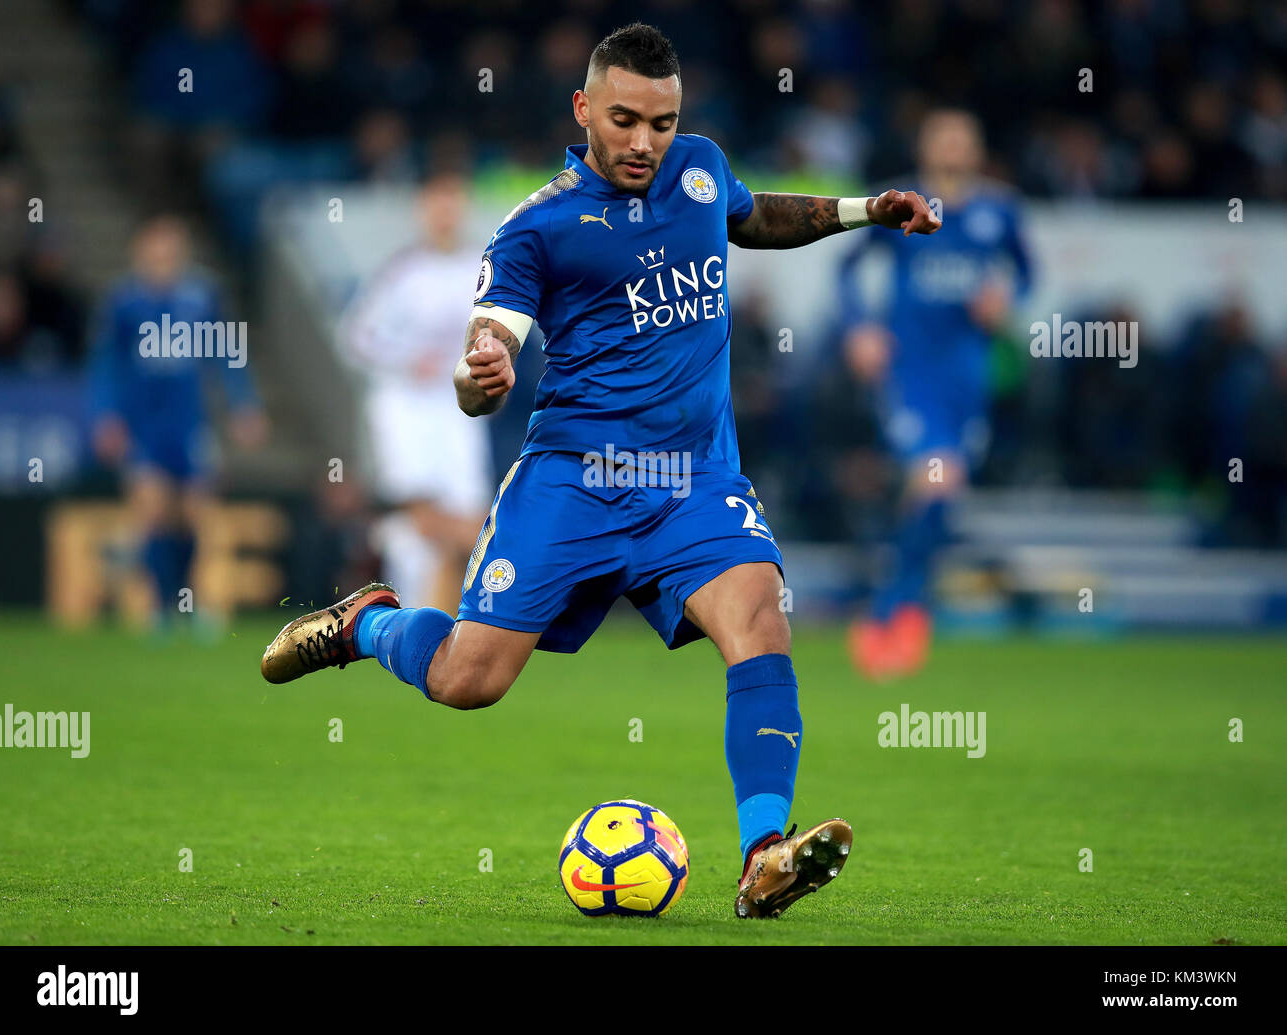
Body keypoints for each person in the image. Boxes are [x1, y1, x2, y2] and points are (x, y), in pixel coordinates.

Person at [262, 23, 940, 918]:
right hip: (573, 481)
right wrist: (479, 375)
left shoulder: (698, 168)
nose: (644, 143)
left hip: (693, 482)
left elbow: (754, 216)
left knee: (762, 622)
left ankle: (763, 854)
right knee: (471, 680)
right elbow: (485, 352)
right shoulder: (536, 228)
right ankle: (369, 625)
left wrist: (863, 212)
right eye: (624, 120)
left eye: (661, 123)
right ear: (584, 109)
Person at [838, 109, 1033, 680]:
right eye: (941, 139)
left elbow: (1025, 270)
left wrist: (1005, 293)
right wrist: (860, 327)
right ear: (925, 146)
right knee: (937, 480)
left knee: (936, 496)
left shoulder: (999, 211)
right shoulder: (901, 203)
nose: (951, 149)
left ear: (975, 149)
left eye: (961, 140)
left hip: (967, 378)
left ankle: (895, 605)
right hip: (910, 374)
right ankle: (893, 617)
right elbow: (848, 268)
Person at [89, 214, 266, 627]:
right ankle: (159, 606)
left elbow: (228, 354)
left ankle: (189, 601)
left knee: (193, 516)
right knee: (152, 512)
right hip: (145, 427)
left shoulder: (202, 296)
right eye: (156, 253)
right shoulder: (123, 302)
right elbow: (105, 364)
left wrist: (244, 405)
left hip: (191, 424)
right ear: (141, 254)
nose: (164, 261)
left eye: (171, 253)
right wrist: (106, 416)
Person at [340, 170, 492, 612]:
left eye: (453, 203)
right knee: (419, 518)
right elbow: (356, 337)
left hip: (458, 408)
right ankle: (413, 618)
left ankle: (444, 620)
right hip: (404, 406)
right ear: (422, 211)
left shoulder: (479, 271)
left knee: (470, 514)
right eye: (436, 205)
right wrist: (407, 361)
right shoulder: (403, 271)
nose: (445, 215)